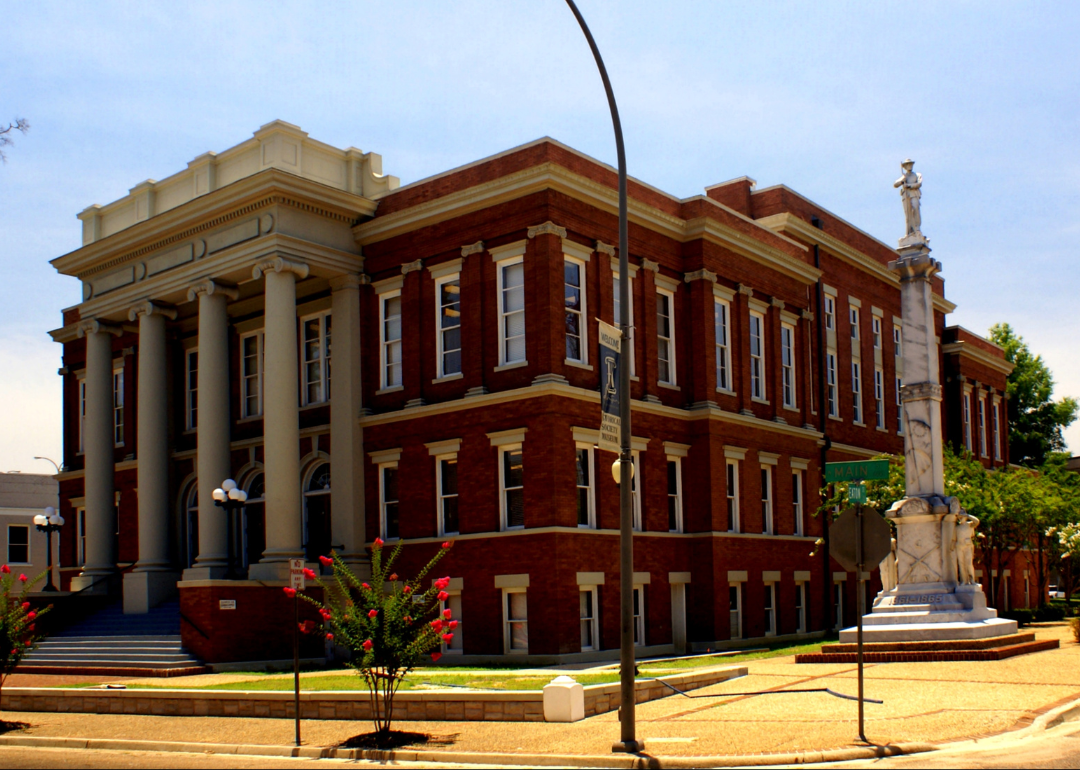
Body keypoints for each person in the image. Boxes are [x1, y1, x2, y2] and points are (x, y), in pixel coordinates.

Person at [893, 159, 923, 237]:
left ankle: (917, 228)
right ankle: (909, 230)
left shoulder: (917, 174)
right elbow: (895, 184)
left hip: (914, 194)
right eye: (907, 165)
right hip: (906, 196)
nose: (909, 166)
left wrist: (909, 186)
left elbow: (919, 183)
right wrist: (902, 181)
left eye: (910, 164)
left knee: (915, 207)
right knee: (908, 213)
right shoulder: (904, 176)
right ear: (905, 167)